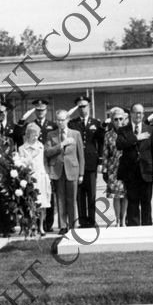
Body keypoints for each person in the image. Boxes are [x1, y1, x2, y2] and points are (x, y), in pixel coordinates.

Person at [15, 99, 58, 231]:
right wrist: (22, 119)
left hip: (43, 169)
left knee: (46, 201)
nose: (40, 112)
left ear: (46, 110)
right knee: (32, 201)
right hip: (31, 173)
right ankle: (33, 225)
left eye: (42, 110)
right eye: (37, 110)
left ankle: (47, 225)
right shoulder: (30, 124)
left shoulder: (52, 125)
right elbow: (17, 133)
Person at [115, 104, 153, 226]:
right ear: (131, 114)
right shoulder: (123, 130)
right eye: (135, 112)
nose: (138, 115)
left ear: (143, 114)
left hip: (147, 171)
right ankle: (133, 228)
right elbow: (120, 145)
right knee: (133, 202)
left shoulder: (150, 130)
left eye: (140, 113)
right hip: (130, 172)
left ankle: (147, 228)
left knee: (146, 202)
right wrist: (137, 138)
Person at [45, 110, 84, 234]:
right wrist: (61, 144)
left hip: (72, 170)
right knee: (60, 199)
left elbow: (80, 155)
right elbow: (47, 152)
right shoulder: (51, 135)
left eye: (62, 120)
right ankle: (63, 226)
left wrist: (81, 173)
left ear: (68, 120)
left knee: (72, 199)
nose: (60, 122)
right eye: (58, 120)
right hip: (57, 171)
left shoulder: (76, 134)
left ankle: (73, 225)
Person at [68, 95, 103, 228]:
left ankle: (92, 220)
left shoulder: (96, 123)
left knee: (92, 193)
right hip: (76, 162)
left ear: (89, 106)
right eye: (80, 106)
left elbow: (100, 142)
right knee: (80, 195)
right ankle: (83, 221)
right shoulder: (73, 123)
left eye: (84, 106)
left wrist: (100, 161)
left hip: (91, 162)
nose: (82, 109)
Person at [18, 123, 51, 236]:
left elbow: (45, 161)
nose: (35, 137)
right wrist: (31, 157)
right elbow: (22, 165)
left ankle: (41, 226)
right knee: (31, 203)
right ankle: (32, 226)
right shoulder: (22, 148)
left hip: (41, 177)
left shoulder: (41, 146)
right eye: (33, 135)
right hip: (29, 179)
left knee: (42, 204)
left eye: (37, 135)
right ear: (28, 135)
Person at [101, 108, 128, 227]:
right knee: (116, 195)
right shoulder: (108, 135)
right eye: (116, 119)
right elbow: (105, 153)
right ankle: (117, 220)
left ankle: (123, 220)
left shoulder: (128, 132)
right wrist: (104, 169)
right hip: (113, 168)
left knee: (126, 194)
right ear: (112, 120)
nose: (118, 121)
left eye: (120, 119)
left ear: (124, 119)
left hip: (127, 166)